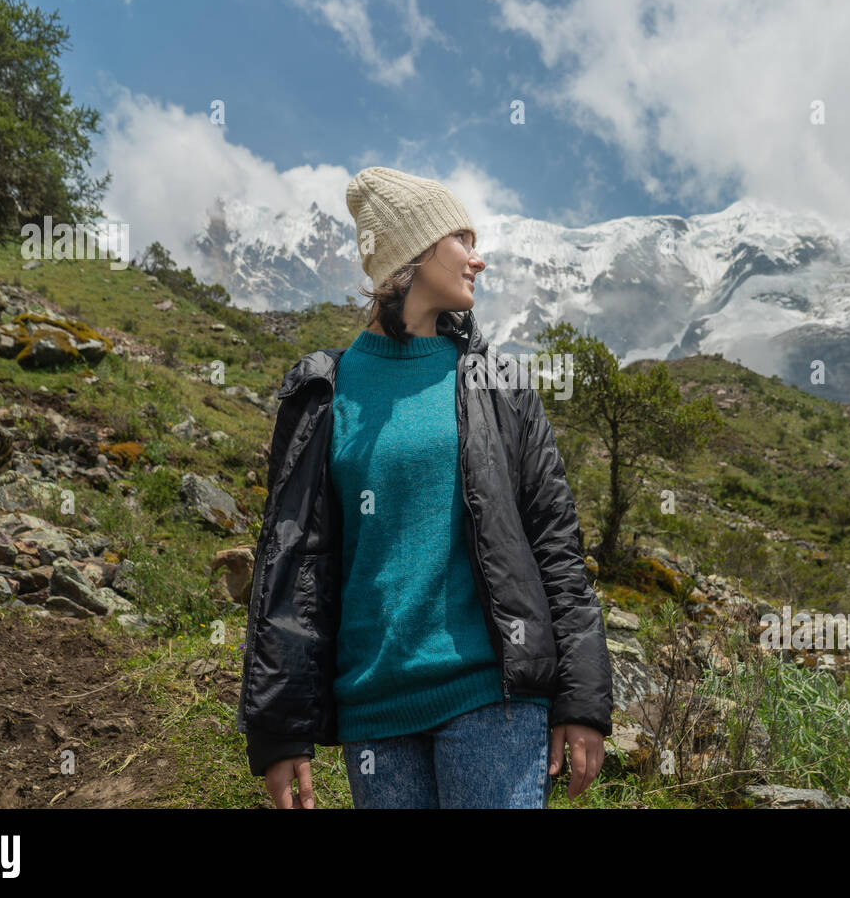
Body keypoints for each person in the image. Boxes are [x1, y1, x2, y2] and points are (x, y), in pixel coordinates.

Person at [237, 166, 614, 808]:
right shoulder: (325, 394)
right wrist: (279, 732)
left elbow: (555, 544)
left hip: (490, 699)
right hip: (374, 715)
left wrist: (580, 699)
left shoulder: (500, 385)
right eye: (462, 240)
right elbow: (290, 568)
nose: (479, 258)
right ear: (413, 255)